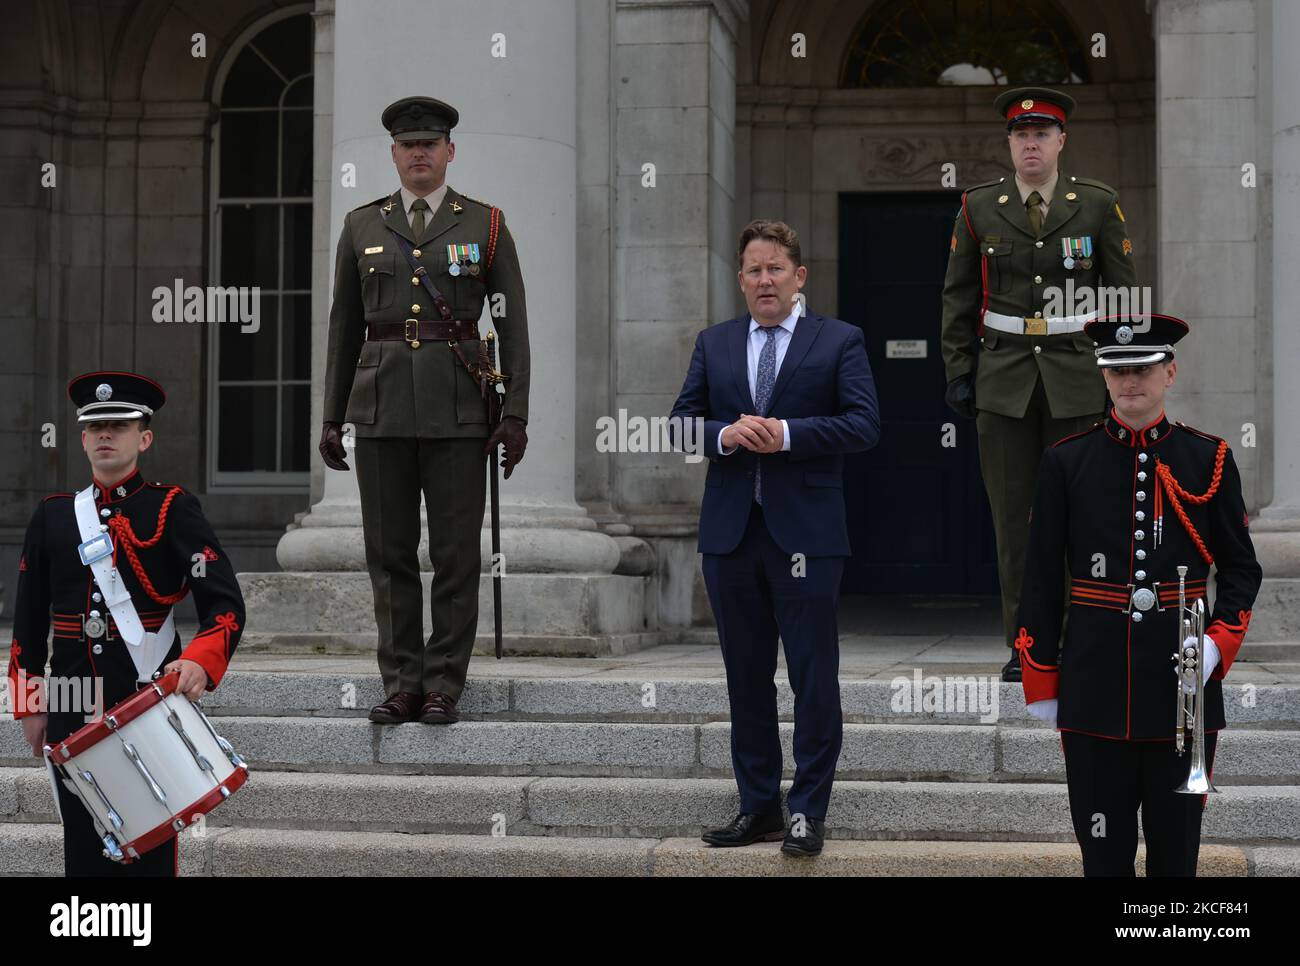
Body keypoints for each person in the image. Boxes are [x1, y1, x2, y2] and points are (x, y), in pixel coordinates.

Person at [1015, 314, 1262, 876]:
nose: (1131, 381)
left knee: (1176, 858)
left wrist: (1218, 648)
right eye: (1118, 370)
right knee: (1103, 852)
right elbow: (1041, 578)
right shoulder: (1066, 461)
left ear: (1169, 372)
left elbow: (1241, 570)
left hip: (1183, 691)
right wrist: (1042, 675)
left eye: (1144, 368)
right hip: (1092, 685)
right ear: (1103, 378)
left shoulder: (1209, 458)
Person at [318, 95, 530, 725]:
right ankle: (402, 681)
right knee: (389, 552)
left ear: (448, 152)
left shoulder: (485, 225)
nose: (419, 154)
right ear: (393, 154)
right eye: (408, 145)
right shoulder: (362, 225)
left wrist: (514, 412)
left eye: (429, 145)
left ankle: (443, 683)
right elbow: (343, 327)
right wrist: (333, 416)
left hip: (460, 410)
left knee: (457, 553)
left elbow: (512, 324)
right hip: (380, 408)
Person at [670, 220, 880, 856]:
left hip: (807, 538)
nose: (764, 280)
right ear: (741, 280)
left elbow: (863, 424)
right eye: (753, 271)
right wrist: (723, 436)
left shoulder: (839, 340)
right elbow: (681, 424)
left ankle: (806, 810)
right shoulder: (715, 342)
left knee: (814, 677)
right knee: (746, 677)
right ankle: (757, 805)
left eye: (775, 269)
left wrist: (786, 434)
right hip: (731, 537)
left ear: (799, 277)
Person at [8, 371, 246, 876]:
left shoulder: (172, 508)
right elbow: (27, 625)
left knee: (151, 846)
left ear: (145, 437)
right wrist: (29, 704)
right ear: (82, 438)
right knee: (83, 848)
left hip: (145, 697)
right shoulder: (53, 516)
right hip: (72, 697)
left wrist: (199, 662)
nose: (105, 436)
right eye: (95, 428)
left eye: (118, 425)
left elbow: (224, 605)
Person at [940, 87, 1138, 682]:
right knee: (1013, 521)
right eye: (1022, 135)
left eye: (1043, 134)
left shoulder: (1098, 205)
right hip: (1003, 383)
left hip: (1077, 380)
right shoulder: (978, 207)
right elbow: (958, 297)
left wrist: (1121, 377)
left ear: (1060, 141)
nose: (1032, 143)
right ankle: (1025, 642)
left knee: (1083, 517)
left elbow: (1122, 300)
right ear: (1009, 142)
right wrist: (958, 371)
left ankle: (1080, 638)